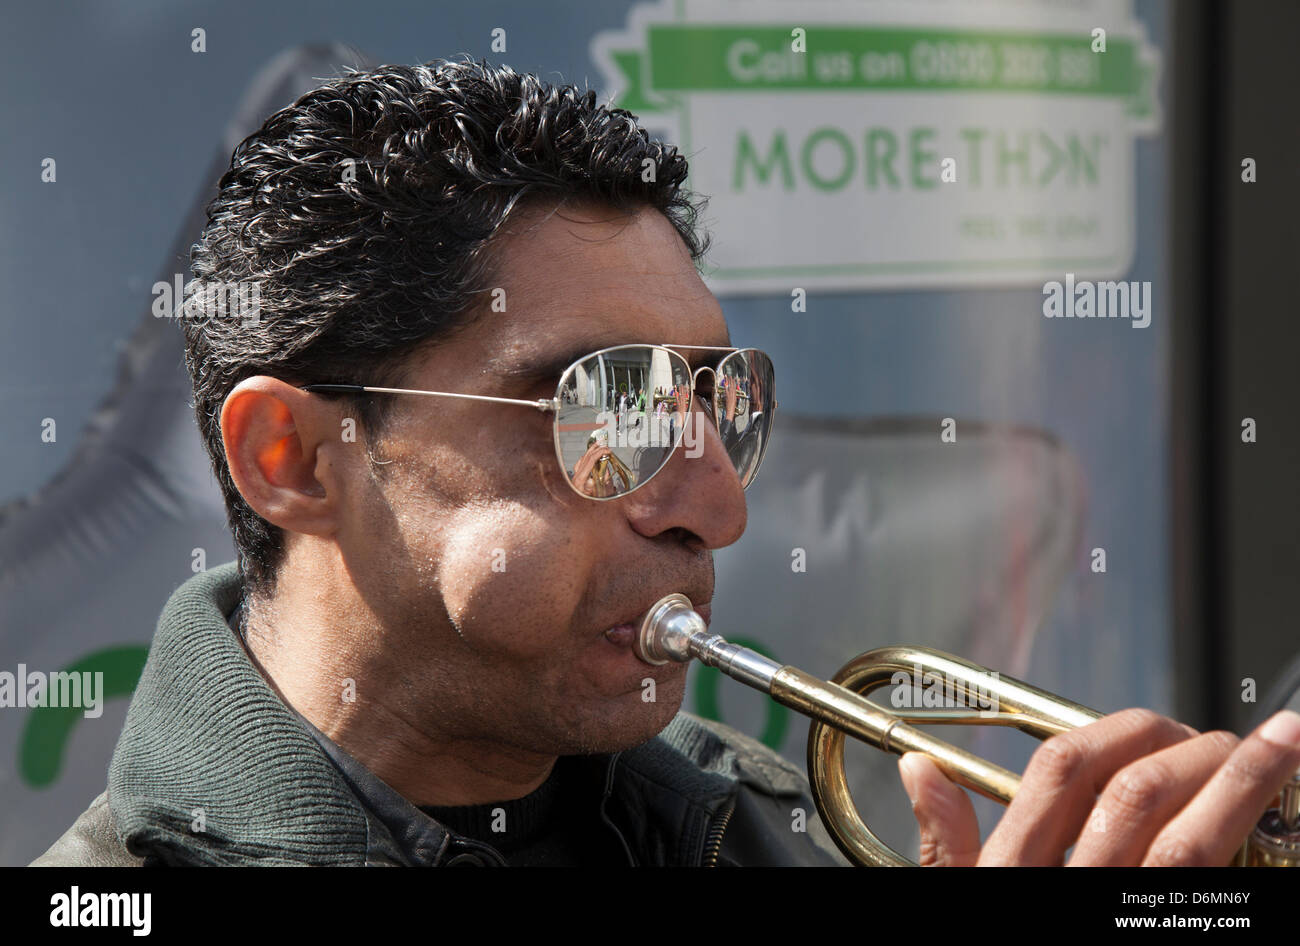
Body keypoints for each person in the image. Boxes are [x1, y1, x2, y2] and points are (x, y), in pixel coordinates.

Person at [32, 59, 1300, 868]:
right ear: (292, 456)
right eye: (604, 404)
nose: (720, 504)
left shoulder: (770, 828)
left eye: (721, 402)